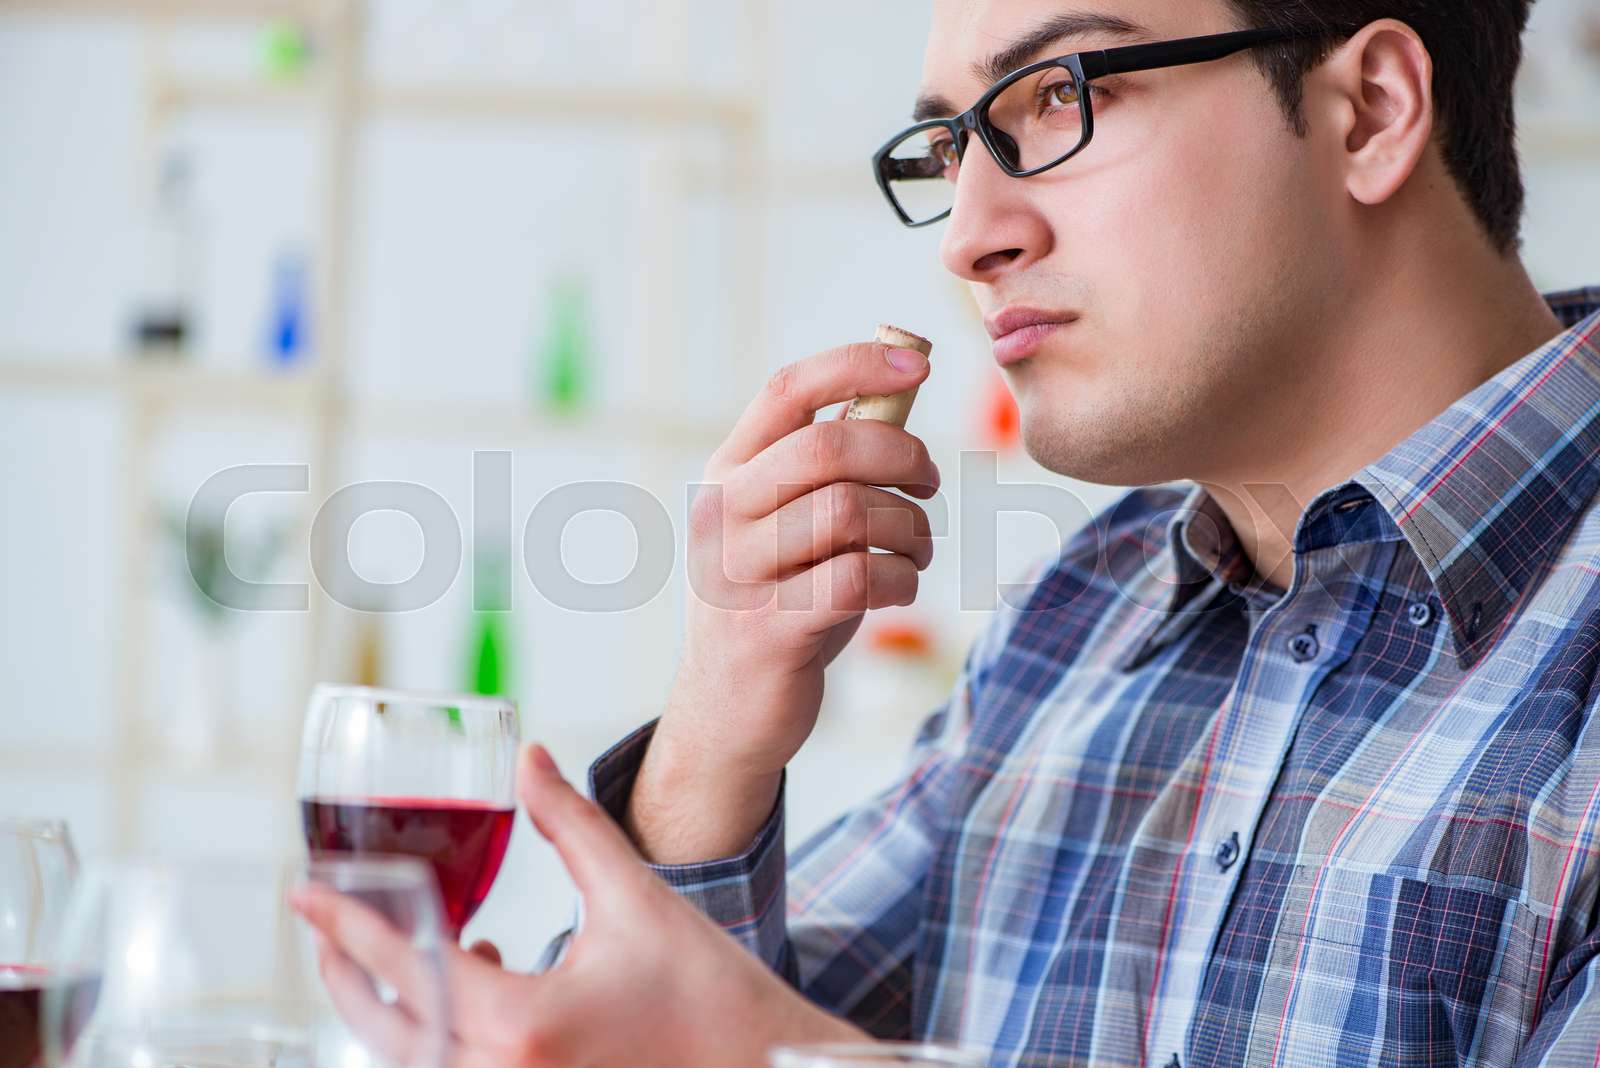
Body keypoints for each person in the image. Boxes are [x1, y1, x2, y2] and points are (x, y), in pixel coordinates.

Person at [296, 0, 1600, 1063]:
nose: (971, 237)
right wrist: (718, 732)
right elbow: (670, 1030)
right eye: (949, 150)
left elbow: (751, 1046)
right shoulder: (1070, 628)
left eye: (1061, 95)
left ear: (1366, 111)